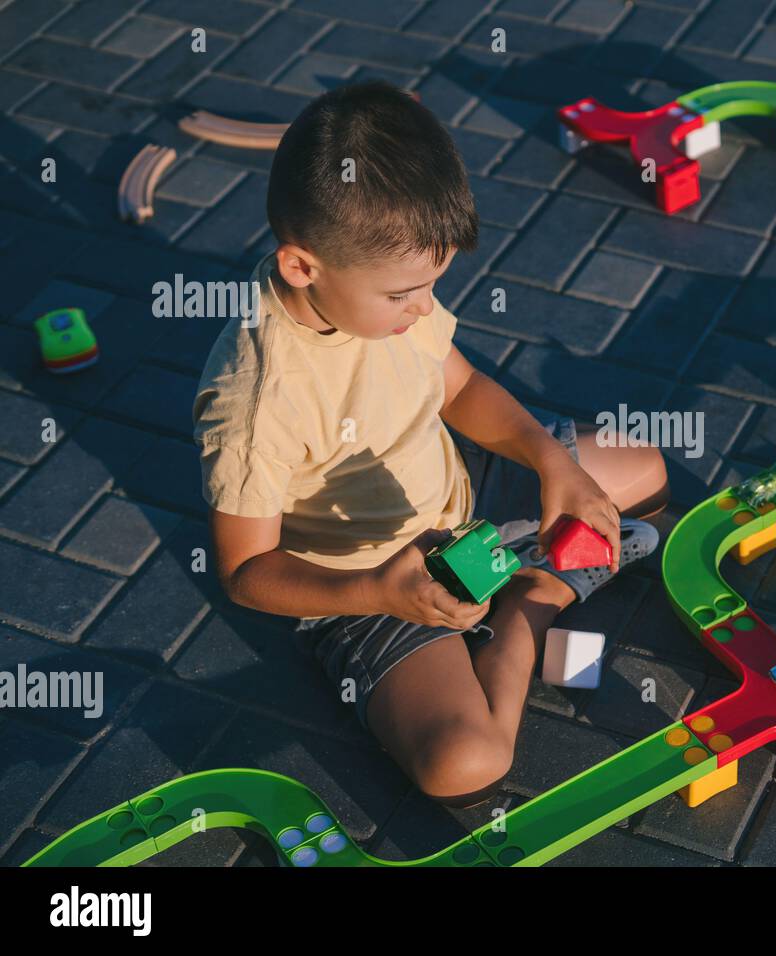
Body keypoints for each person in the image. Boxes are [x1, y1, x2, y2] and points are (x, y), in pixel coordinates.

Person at [193, 81, 668, 808]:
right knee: (466, 762)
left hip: (456, 488)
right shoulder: (257, 401)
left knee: (644, 468)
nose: (423, 310)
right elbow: (246, 571)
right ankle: (535, 600)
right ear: (300, 266)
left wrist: (550, 464)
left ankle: (511, 551)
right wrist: (373, 590)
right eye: (404, 296)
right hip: (370, 578)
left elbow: (461, 389)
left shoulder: (385, 278)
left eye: (432, 286)